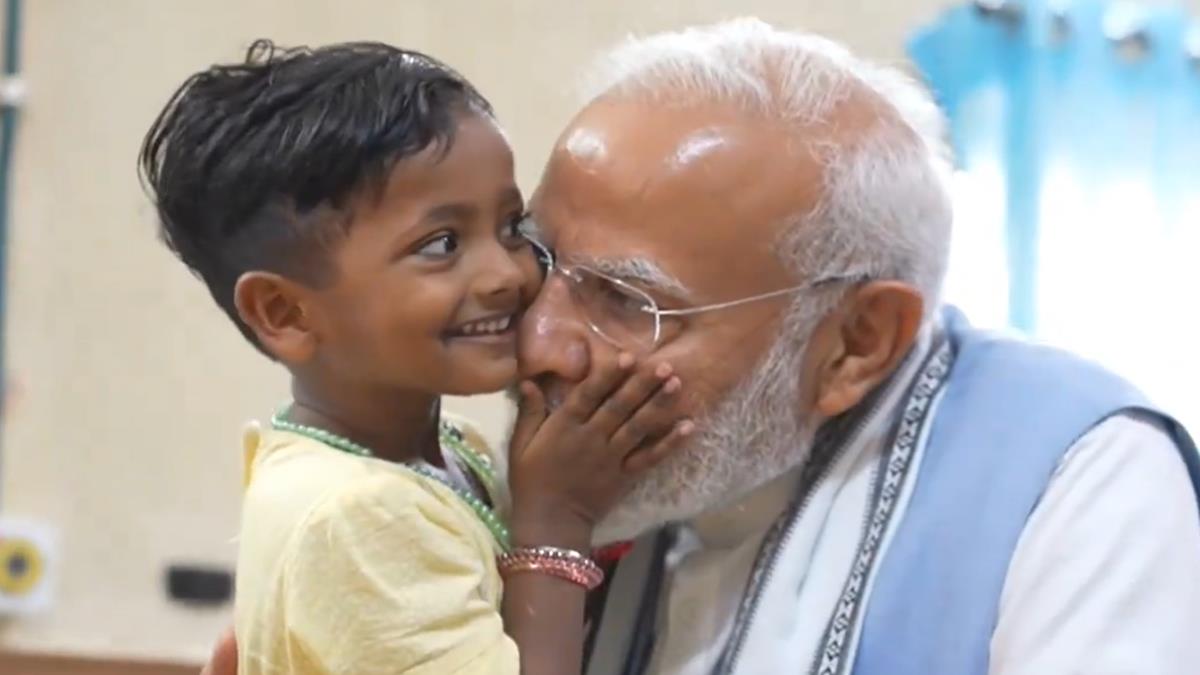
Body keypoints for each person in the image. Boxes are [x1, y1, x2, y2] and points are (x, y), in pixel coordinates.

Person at [203, 19, 1200, 675]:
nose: (538, 342)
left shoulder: (1078, 476)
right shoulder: (520, 481)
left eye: (629, 304)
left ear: (858, 341)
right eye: (544, 256)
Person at [141, 40, 694, 675]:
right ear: (284, 313)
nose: (506, 273)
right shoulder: (354, 517)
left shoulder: (450, 452)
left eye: (512, 227)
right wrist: (555, 520)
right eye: (441, 243)